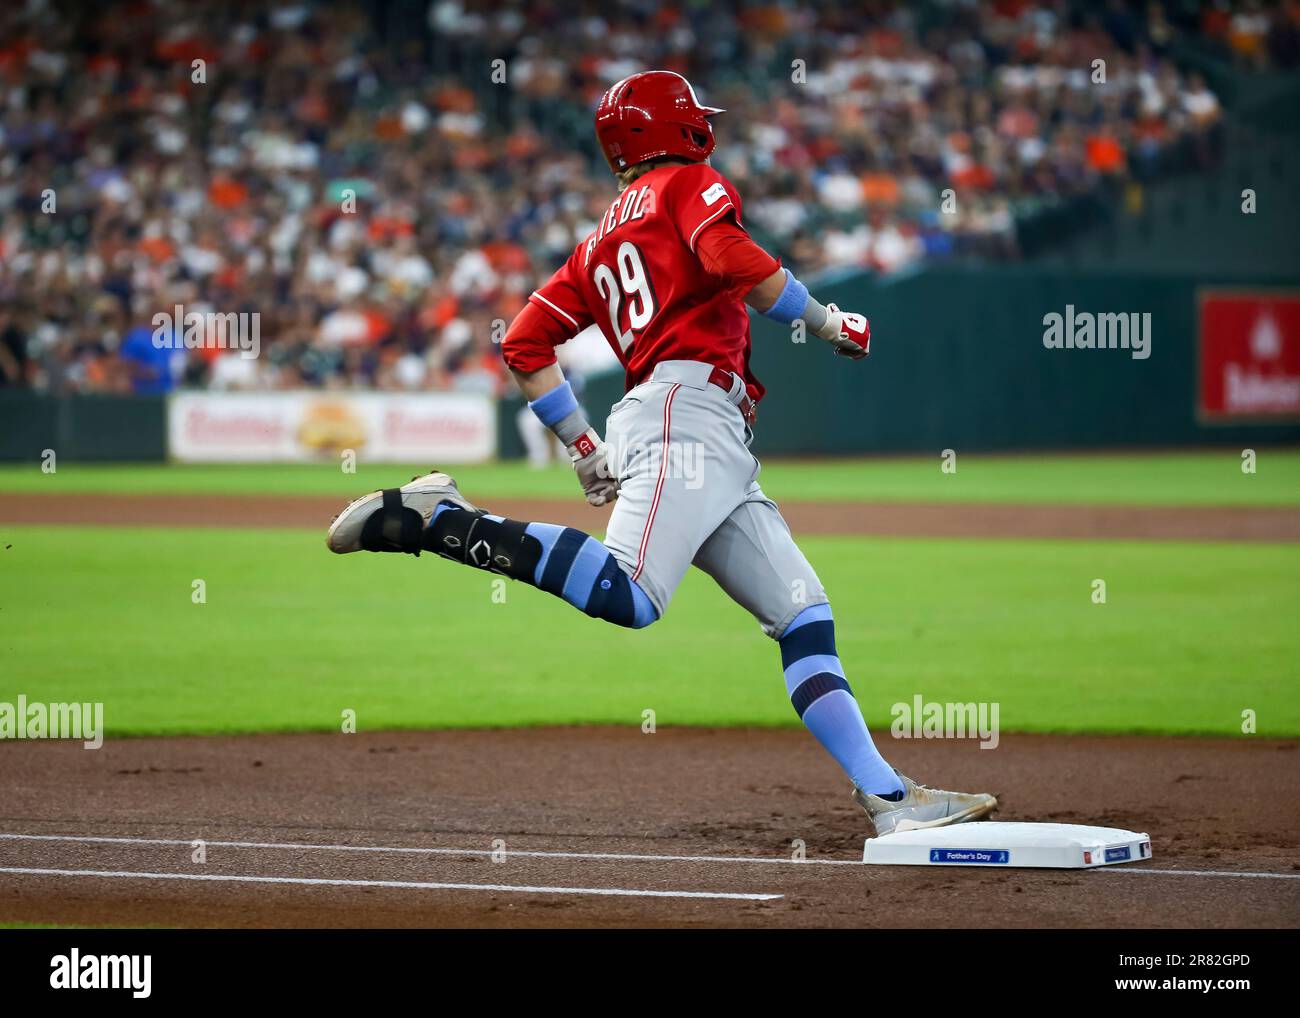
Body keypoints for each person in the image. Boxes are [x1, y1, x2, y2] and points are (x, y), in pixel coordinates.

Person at [327, 71, 996, 837]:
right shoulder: (689, 185)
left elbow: (523, 342)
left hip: (699, 426)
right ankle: (439, 521)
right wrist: (825, 320)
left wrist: (582, 446)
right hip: (687, 414)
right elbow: (732, 257)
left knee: (803, 614)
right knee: (631, 594)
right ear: (676, 130)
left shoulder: (597, 241)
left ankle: (889, 801)